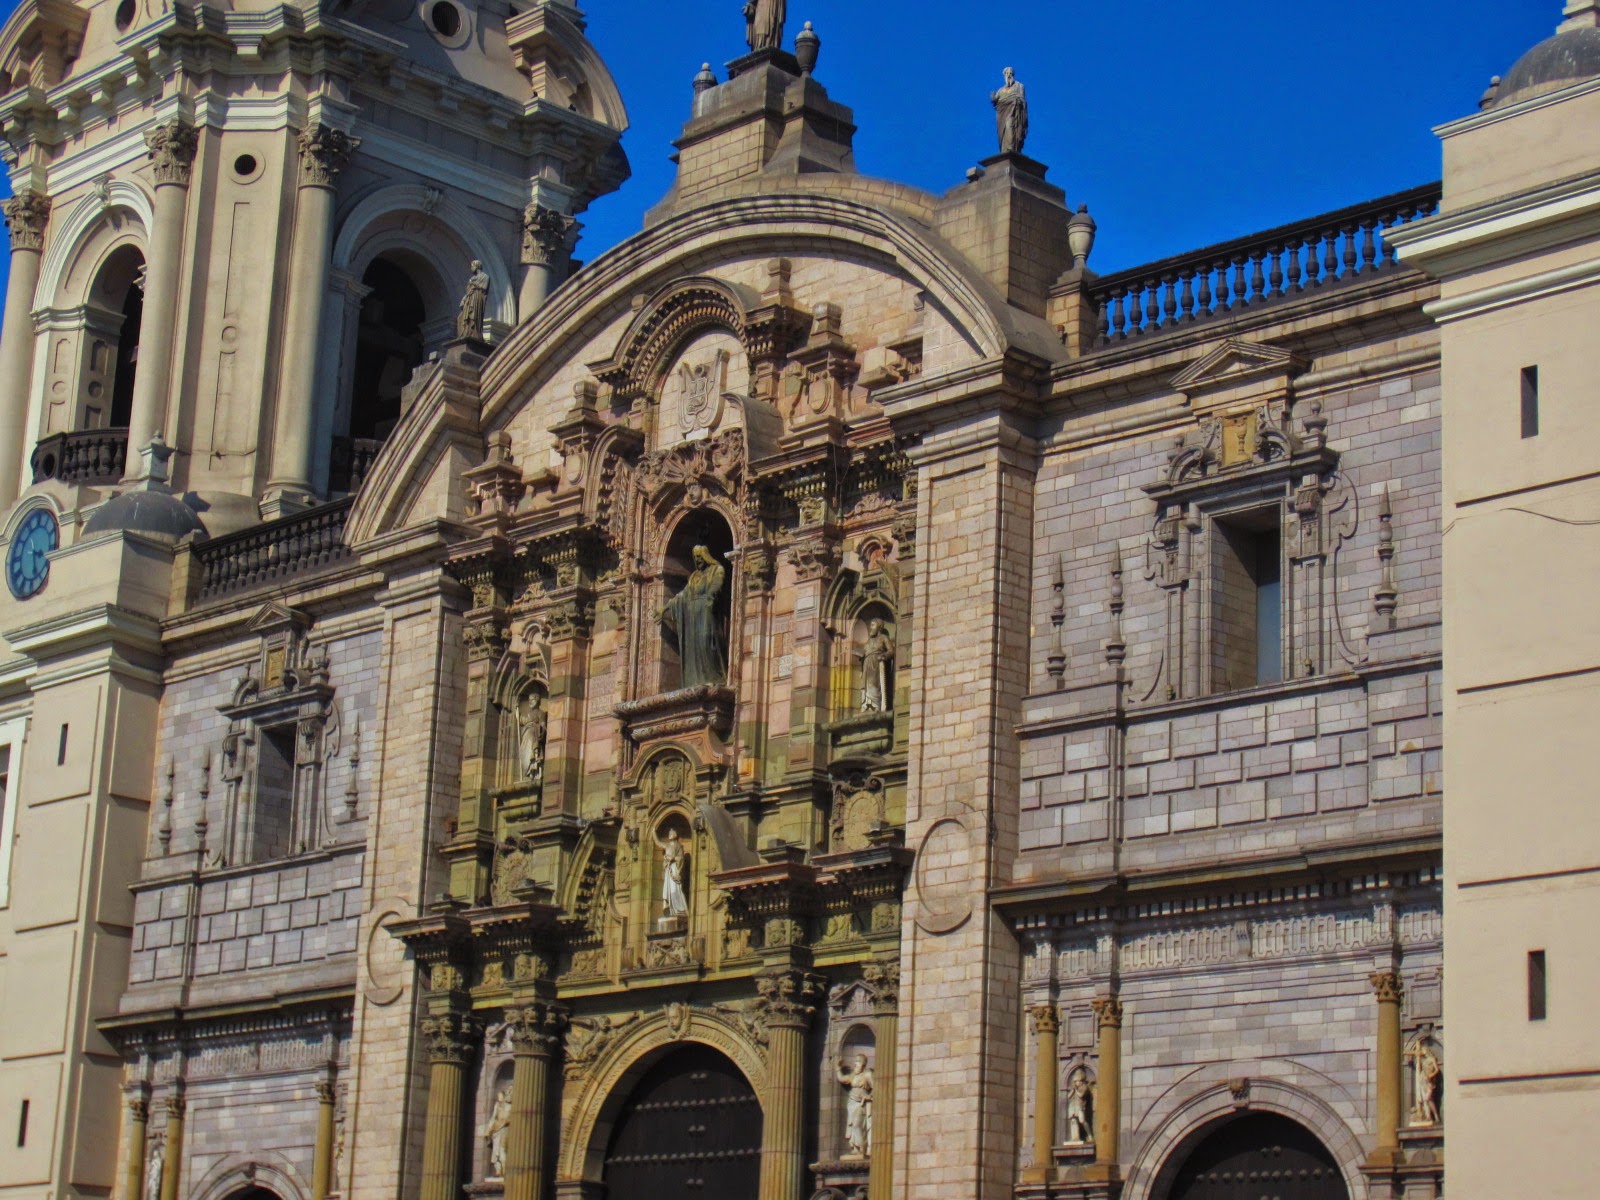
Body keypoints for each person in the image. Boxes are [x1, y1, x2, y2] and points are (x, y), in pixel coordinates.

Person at [656, 544, 727, 687]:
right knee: (693, 646)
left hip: (706, 611)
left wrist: (711, 595)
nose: (698, 560)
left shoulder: (716, 570)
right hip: (692, 615)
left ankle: (714, 676)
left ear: (706, 556)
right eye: (695, 558)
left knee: (706, 641)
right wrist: (664, 608)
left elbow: (717, 585)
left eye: (700, 557)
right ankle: (696, 679)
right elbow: (682, 595)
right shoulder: (694, 576)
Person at [836, 1053, 874, 1157]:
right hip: (852, 1103)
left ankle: (863, 1148)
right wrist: (838, 1068)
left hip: (861, 1104)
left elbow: (875, 1089)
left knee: (857, 1124)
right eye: (856, 1062)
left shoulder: (867, 1075)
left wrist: (869, 1096)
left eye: (859, 1062)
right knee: (853, 1125)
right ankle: (856, 1149)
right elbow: (842, 1079)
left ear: (864, 1064)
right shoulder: (853, 1075)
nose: (856, 1064)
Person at [991, 67, 1029, 155]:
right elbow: (996, 103)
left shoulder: (1019, 86)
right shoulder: (1000, 90)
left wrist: (1016, 100)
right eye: (1007, 73)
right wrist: (993, 99)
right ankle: (1005, 151)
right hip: (1002, 115)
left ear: (1013, 75)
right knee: (1003, 132)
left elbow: (1023, 100)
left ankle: (1012, 149)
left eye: (1010, 73)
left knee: (1010, 127)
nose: (1009, 75)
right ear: (1004, 75)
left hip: (1014, 113)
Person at [859, 619, 894, 712]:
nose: (870, 627)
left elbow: (891, 651)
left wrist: (884, 656)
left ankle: (876, 704)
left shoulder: (884, 638)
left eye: (873, 625)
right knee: (866, 686)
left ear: (879, 627)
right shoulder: (868, 641)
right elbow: (865, 651)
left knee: (875, 685)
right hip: (867, 665)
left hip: (877, 664)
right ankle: (866, 705)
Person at [456, 259, 489, 340]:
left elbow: (484, 287)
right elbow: (468, 290)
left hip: (477, 298)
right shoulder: (473, 278)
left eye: (472, 266)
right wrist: (465, 298)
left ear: (476, 266)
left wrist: (473, 283)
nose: (471, 268)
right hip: (469, 298)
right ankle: (466, 332)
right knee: (461, 317)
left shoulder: (485, 277)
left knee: (474, 316)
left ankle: (474, 333)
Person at [661, 828, 689, 917]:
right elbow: (658, 843)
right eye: (669, 833)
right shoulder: (667, 845)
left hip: (675, 869)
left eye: (671, 833)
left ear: (675, 835)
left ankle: (679, 909)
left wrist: (672, 858)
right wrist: (653, 832)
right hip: (668, 870)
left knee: (675, 889)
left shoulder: (679, 846)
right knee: (669, 890)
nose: (670, 834)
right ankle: (670, 908)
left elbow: (681, 858)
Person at [485, 1087, 512, 1176]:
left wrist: (505, 1122)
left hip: (505, 1128)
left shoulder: (511, 1105)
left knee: (502, 1150)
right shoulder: (498, 1105)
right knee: (496, 1150)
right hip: (497, 1128)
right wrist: (488, 1129)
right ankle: (498, 1170)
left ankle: (504, 1169)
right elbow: (493, 1117)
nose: (499, 1097)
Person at [1064, 1068, 1093, 1144]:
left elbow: (1081, 1095)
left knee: (1082, 1120)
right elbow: (1068, 1097)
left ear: (1081, 1081)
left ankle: (1089, 1135)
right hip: (1073, 1106)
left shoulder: (1084, 1087)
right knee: (1073, 1121)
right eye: (1075, 1081)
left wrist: (1076, 1090)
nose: (1076, 1083)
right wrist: (1073, 1090)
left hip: (1080, 1106)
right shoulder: (1074, 1088)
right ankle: (1075, 1138)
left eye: (1077, 1081)